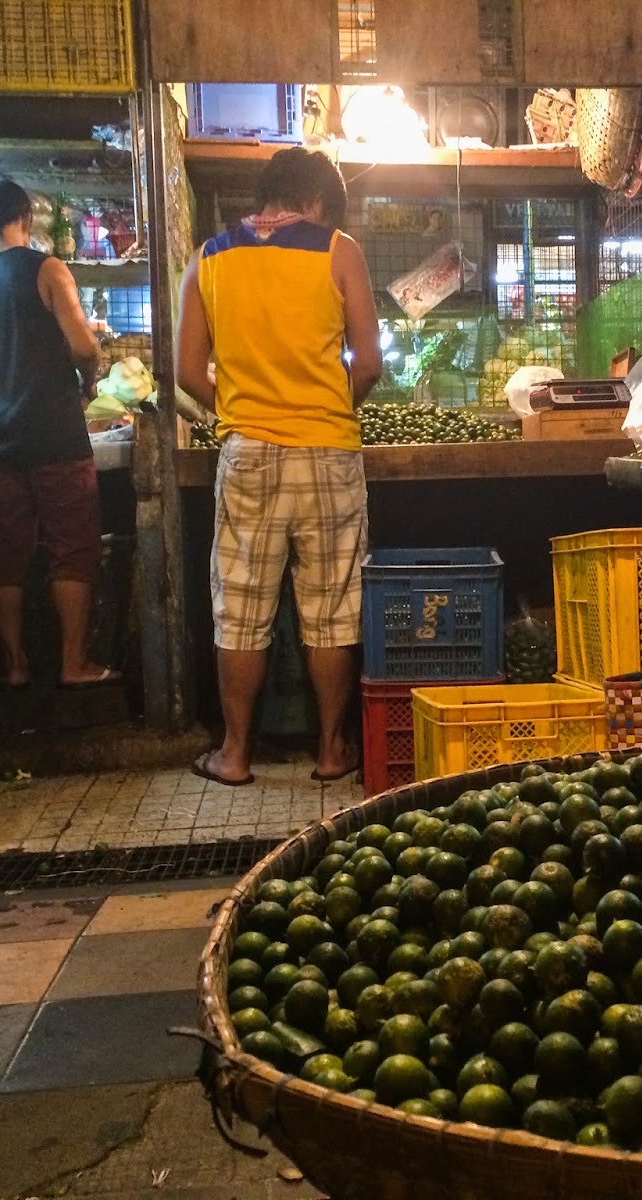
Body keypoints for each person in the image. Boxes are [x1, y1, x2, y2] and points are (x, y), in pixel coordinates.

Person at [174, 147, 382, 786]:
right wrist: (324, 409)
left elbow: (184, 371)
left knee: (240, 607)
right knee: (332, 607)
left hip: (249, 457)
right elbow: (369, 363)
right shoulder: (338, 250)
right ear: (317, 201)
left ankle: (234, 754)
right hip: (328, 453)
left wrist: (238, 410)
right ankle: (330, 752)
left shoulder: (207, 260)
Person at [0, 175, 117, 689]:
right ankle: (72, 664)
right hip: (57, 435)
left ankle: (15, 665)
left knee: (6, 552)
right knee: (72, 545)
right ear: (24, 219)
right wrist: (88, 382)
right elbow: (85, 348)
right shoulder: (46, 268)